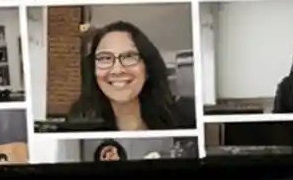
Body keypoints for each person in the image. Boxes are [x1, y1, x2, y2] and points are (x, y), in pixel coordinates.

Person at [66, 21, 196, 131]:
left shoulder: (187, 118)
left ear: (147, 67)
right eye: (105, 58)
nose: (117, 70)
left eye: (129, 57)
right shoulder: (77, 126)